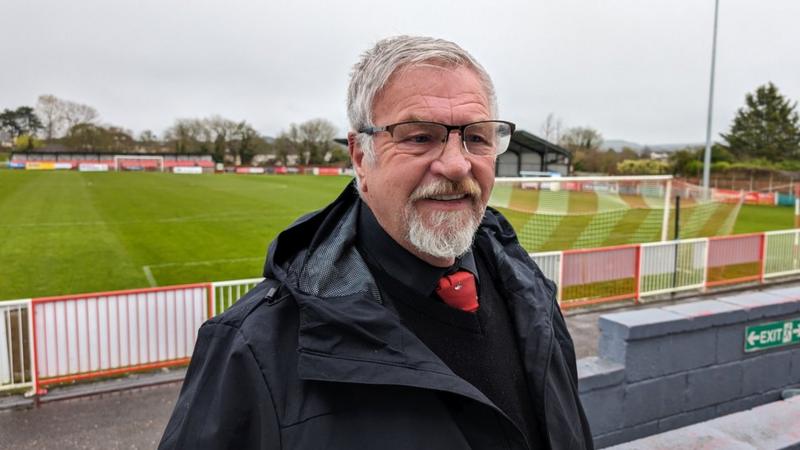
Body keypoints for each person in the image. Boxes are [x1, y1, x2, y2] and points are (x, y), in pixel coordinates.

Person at [159, 35, 593, 450]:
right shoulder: (252, 349)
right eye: (420, 136)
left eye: (477, 137)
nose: (457, 165)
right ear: (360, 156)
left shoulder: (530, 291)